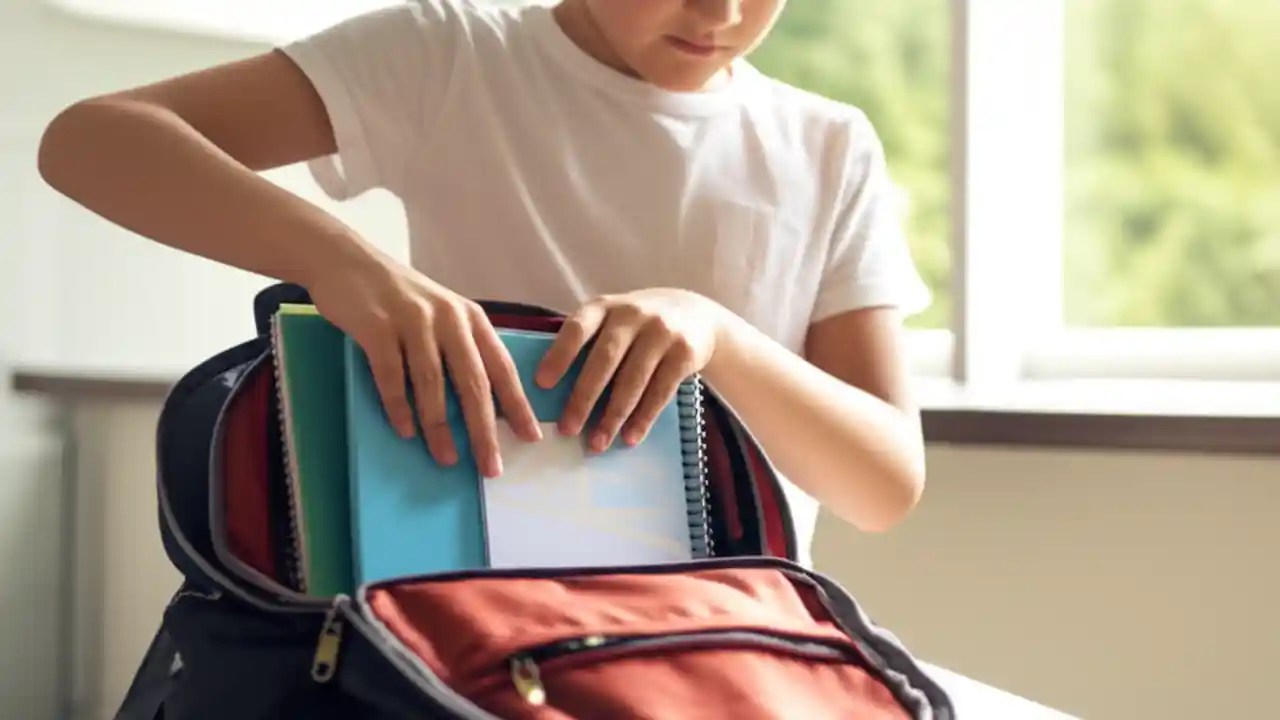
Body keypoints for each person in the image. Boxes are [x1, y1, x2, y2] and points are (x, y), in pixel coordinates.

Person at [37, 0, 933, 567]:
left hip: (721, 648)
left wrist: (718, 335)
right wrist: (345, 264)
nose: (723, 11)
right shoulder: (450, 52)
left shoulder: (828, 144)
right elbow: (92, 141)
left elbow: (884, 486)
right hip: (470, 629)